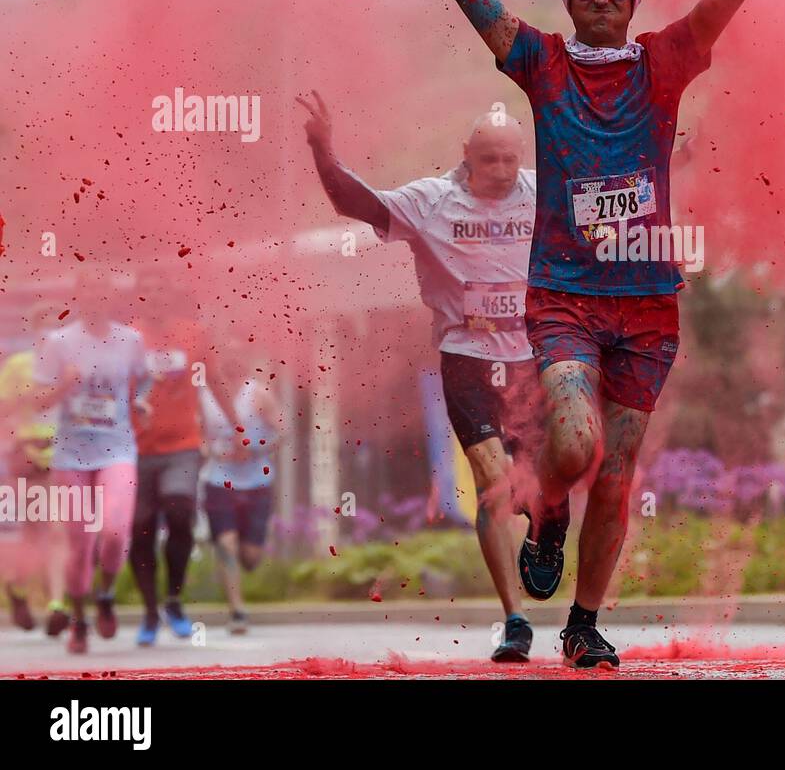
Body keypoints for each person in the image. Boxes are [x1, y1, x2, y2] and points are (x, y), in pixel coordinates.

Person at [388, 0, 785, 668]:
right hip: (562, 298)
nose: (598, 0)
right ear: (567, 1)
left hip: (649, 303)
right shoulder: (541, 63)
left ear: (633, 0)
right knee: (579, 442)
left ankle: (584, 622)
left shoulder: (667, 61)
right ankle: (548, 509)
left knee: (619, 470)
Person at [299, 90, 541, 662]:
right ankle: (516, 620)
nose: (501, 172)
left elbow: (609, 198)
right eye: (489, 161)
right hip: (466, 356)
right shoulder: (432, 201)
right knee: (492, 483)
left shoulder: (544, 194)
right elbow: (354, 203)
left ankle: (544, 535)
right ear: (466, 156)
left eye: (510, 159)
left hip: (532, 359)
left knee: (539, 485)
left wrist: (667, 161)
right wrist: (324, 155)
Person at [33, 269, 152, 654]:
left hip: (117, 448)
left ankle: (105, 593)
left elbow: (143, 379)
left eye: (103, 293)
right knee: (79, 541)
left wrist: (139, 402)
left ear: (112, 300)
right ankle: (80, 619)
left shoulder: (130, 340)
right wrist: (64, 386)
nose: (96, 301)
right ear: (78, 299)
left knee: (116, 531)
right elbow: (39, 400)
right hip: (71, 453)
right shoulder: (58, 342)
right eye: (88, 293)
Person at [128, 271, 223, 646]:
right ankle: (151, 612)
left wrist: (237, 426)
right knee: (140, 528)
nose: (153, 298)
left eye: (160, 291)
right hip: (134, 448)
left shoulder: (194, 334)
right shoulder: (129, 338)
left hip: (183, 443)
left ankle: (173, 601)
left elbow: (214, 380)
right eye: (146, 291)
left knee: (180, 511)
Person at [199, 351, 280, 635]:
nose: (232, 363)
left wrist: (254, 448)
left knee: (250, 557)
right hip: (219, 480)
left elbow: (284, 432)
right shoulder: (205, 396)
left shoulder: (258, 394)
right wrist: (209, 450)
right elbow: (197, 436)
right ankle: (237, 610)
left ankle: (254, 545)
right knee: (225, 543)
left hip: (257, 481)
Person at [0, 303, 59, 633]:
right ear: (34, 330)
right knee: (37, 531)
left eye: (57, 326)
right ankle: (25, 590)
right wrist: (20, 442)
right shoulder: (19, 365)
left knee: (55, 531)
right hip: (26, 454)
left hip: (66, 454)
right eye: (45, 326)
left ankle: (53, 603)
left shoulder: (73, 365)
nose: (50, 333)